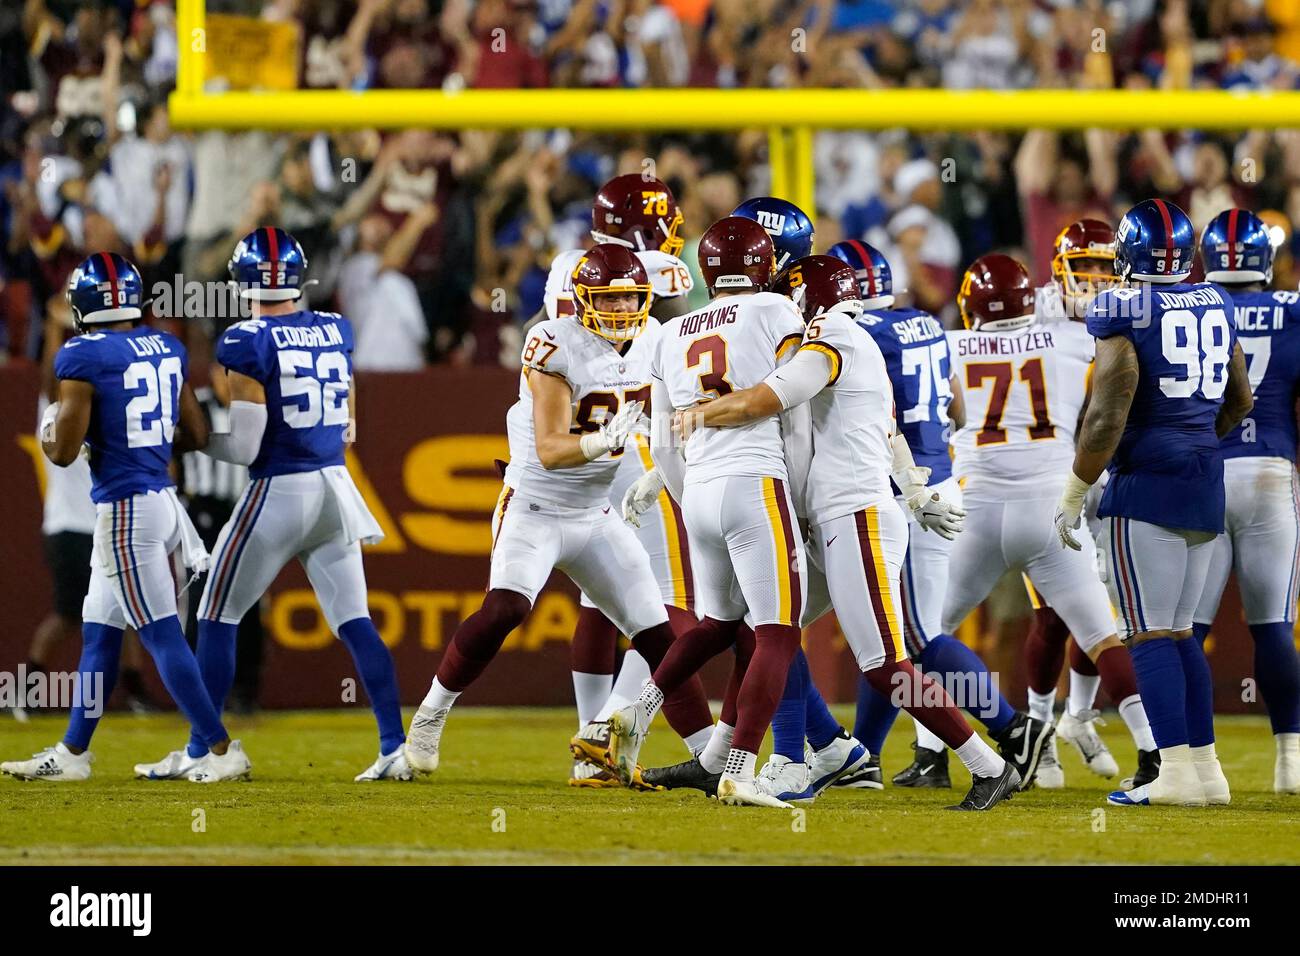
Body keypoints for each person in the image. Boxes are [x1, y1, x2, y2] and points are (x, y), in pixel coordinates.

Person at [623, 249, 1023, 811]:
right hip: (833, 514)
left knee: (885, 665)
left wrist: (693, 415)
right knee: (763, 635)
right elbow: (886, 431)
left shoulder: (834, 334)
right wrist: (911, 487)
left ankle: (988, 763)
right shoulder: (848, 336)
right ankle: (721, 759)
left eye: (793, 295)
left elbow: (768, 398)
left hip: (852, 514)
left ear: (807, 296)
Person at [404, 243, 715, 782]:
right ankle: (432, 710)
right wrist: (599, 445)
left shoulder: (655, 342)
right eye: (609, 301)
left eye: (630, 300)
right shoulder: (553, 342)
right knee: (505, 609)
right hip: (535, 506)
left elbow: (670, 422)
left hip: (596, 515)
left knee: (661, 639)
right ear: (583, 300)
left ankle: (709, 758)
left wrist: (656, 472)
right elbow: (550, 447)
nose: (621, 312)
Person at [134, 228, 407, 783]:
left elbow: (246, 447)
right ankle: (393, 748)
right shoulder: (334, 328)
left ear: (242, 281)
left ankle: (203, 752)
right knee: (355, 621)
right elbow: (349, 420)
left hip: (280, 489)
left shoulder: (246, 341)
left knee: (214, 614)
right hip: (334, 487)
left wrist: (189, 437)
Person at [1, 253, 238, 782]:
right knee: (100, 633)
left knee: (159, 637)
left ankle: (220, 749)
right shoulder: (166, 347)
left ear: (83, 305)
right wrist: (141, 439)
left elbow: (61, 452)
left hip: (125, 510)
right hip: (158, 502)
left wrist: (52, 432)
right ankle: (72, 753)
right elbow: (197, 437)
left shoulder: (81, 356)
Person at [1055, 199, 1254, 807]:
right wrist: (1192, 441)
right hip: (1205, 477)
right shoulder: (1215, 300)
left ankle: (1171, 774)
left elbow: (1107, 412)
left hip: (1148, 484)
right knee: (1182, 635)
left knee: (1148, 634)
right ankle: (1206, 771)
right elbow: (1240, 400)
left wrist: (1077, 488)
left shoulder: (1122, 308)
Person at [944, 252, 1155, 790]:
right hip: (1054, 507)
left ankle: (991, 739)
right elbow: (1113, 392)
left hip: (978, 509)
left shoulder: (947, 346)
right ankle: (1155, 756)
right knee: (1103, 635)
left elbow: (938, 418)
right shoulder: (1068, 342)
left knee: (920, 636)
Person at [1192, 208, 1300, 794]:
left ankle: (1192, 763)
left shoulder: (1189, 305)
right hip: (1268, 473)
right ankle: (1292, 763)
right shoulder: (1292, 309)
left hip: (1203, 472)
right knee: (1274, 628)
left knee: (1185, 630)